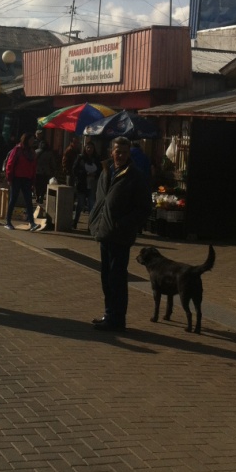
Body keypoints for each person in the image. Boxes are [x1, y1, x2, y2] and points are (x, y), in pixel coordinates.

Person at [88, 136, 152, 332]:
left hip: (120, 235)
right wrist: (95, 220)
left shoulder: (135, 176)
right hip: (104, 231)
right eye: (118, 152)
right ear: (112, 152)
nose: (121, 155)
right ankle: (109, 314)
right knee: (106, 278)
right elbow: (101, 199)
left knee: (117, 279)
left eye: (125, 152)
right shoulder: (106, 170)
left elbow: (144, 208)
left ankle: (117, 319)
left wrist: (123, 224)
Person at [4, 132, 40, 231]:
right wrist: (9, 178)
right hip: (16, 178)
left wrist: (33, 180)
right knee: (13, 200)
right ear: (26, 140)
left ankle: (32, 223)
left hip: (27, 179)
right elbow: (10, 164)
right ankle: (8, 221)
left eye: (33, 140)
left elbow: (33, 167)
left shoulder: (32, 152)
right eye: (31, 140)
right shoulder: (17, 150)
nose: (32, 142)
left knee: (29, 201)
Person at [71, 140, 100, 227]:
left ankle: (90, 225)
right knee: (80, 204)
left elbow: (100, 170)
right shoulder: (80, 158)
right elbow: (74, 170)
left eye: (91, 148)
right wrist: (85, 174)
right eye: (88, 147)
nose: (89, 149)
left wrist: (95, 174)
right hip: (82, 184)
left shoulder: (96, 159)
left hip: (92, 185)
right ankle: (75, 221)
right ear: (85, 148)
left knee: (91, 205)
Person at [34, 133, 56, 204]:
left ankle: (37, 196)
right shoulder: (49, 153)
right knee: (44, 185)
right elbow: (52, 163)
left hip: (37, 171)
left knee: (37, 185)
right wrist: (53, 170)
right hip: (46, 172)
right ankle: (42, 196)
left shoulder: (36, 152)